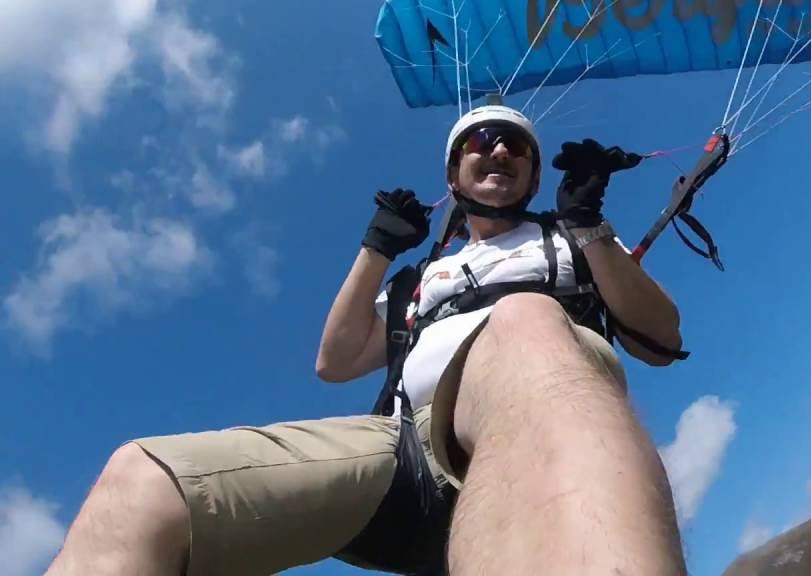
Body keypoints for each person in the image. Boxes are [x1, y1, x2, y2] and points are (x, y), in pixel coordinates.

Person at [46, 105, 689, 576]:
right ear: (454, 170)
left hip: (544, 400)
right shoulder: (419, 279)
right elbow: (335, 362)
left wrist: (588, 225)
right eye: (482, 141)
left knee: (524, 318)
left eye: (517, 148)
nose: (499, 152)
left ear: (532, 171)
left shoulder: (569, 243)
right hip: (404, 451)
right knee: (144, 481)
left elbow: (660, 338)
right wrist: (377, 250)